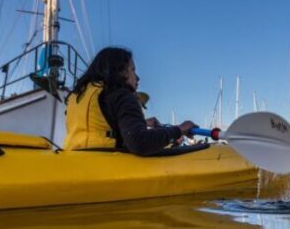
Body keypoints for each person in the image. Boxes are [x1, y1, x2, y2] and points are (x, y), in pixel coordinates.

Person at [64, 46, 196, 154]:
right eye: (133, 70)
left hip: (75, 160)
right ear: (120, 71)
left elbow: (98, 125)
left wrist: (142, 123)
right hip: (106, 165)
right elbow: (139, 142)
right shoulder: (121, 94)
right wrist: (180, 129)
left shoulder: (77, 96)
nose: (137, 77)